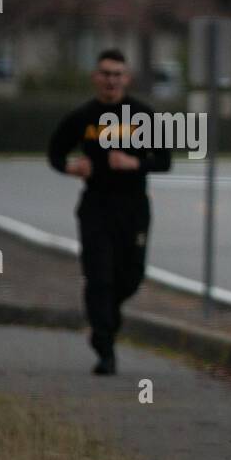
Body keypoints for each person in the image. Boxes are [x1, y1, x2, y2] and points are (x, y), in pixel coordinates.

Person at [47, 49, 171, 374]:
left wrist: (135, 163)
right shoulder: (82, 117)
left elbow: (164, 161)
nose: (111, 80)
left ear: (126, 79)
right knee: (99, 276)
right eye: (105, 73)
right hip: (96, 206)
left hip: (133, 207)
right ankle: (105, 348)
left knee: (130, 276)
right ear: (95, 78)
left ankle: (106, 317)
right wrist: (70, 167)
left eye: (117, 74)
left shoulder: (143, 115)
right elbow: (55, 152)